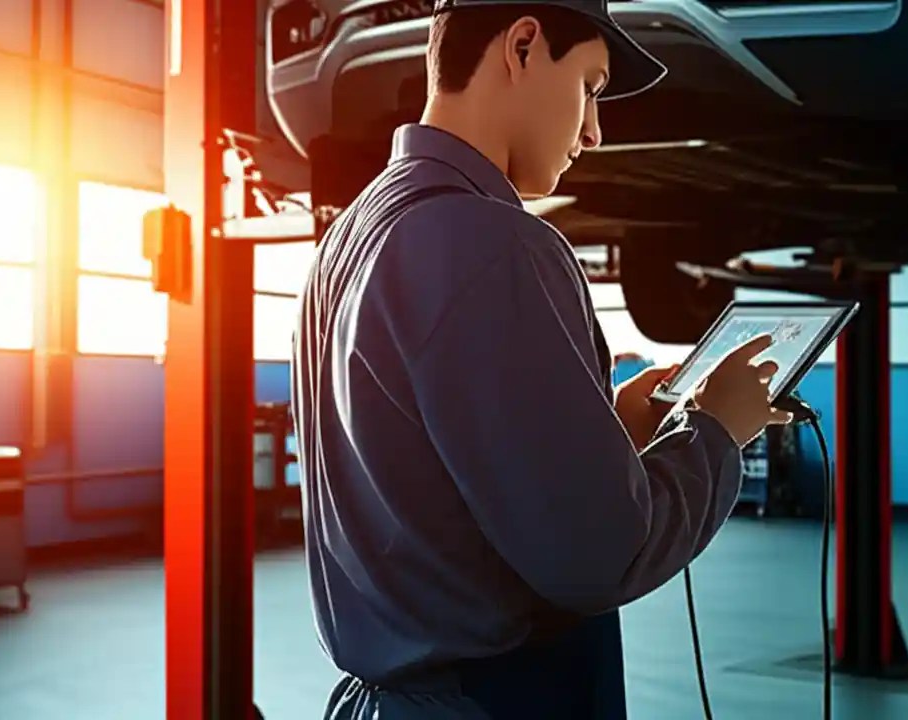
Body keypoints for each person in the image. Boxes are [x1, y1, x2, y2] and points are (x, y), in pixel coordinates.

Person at [290, 1, 793, 717]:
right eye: (590, 87)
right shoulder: (492, 241)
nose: (593, 131)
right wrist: (715, 432)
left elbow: (432, 476)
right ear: (523, 45)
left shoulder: (348, 239)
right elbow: (597, 556)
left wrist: (608, 430)